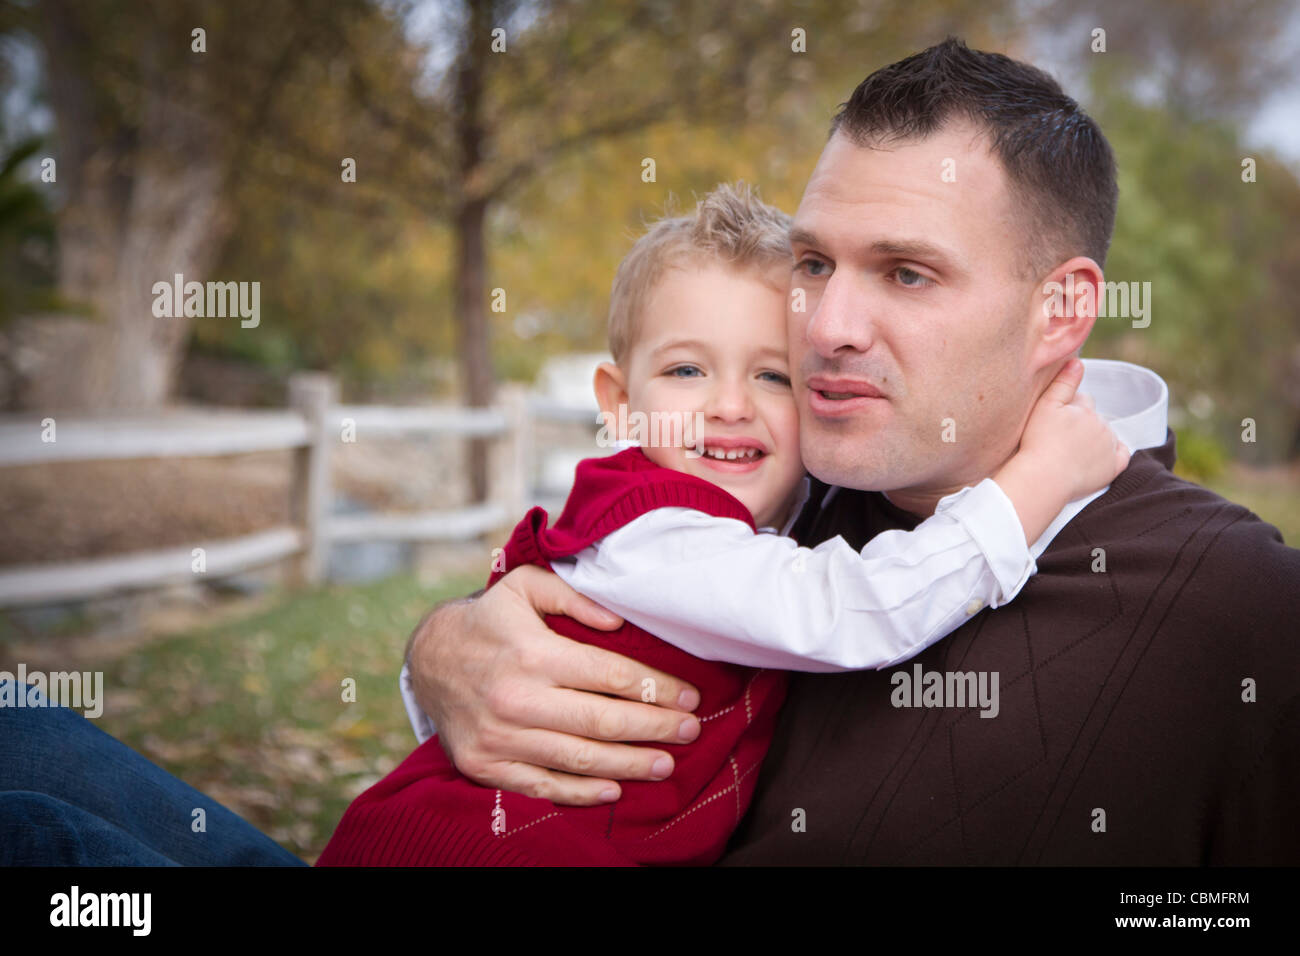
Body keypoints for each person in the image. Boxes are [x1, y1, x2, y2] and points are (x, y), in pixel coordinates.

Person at [403, 39, 1300, 864]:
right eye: (814, 264)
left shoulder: (1239, 603)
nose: (827, 328)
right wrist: (440, 656)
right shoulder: (771, 491)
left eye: (907, 273)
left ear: (1060, 312)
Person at [316, 184, 1126, 866]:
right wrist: (1036, 482)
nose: (730, 405)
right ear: (619, 403)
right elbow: (851, 610)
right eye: (686, 369)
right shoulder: (653, 531)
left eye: (773, 375)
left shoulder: (754, 519)